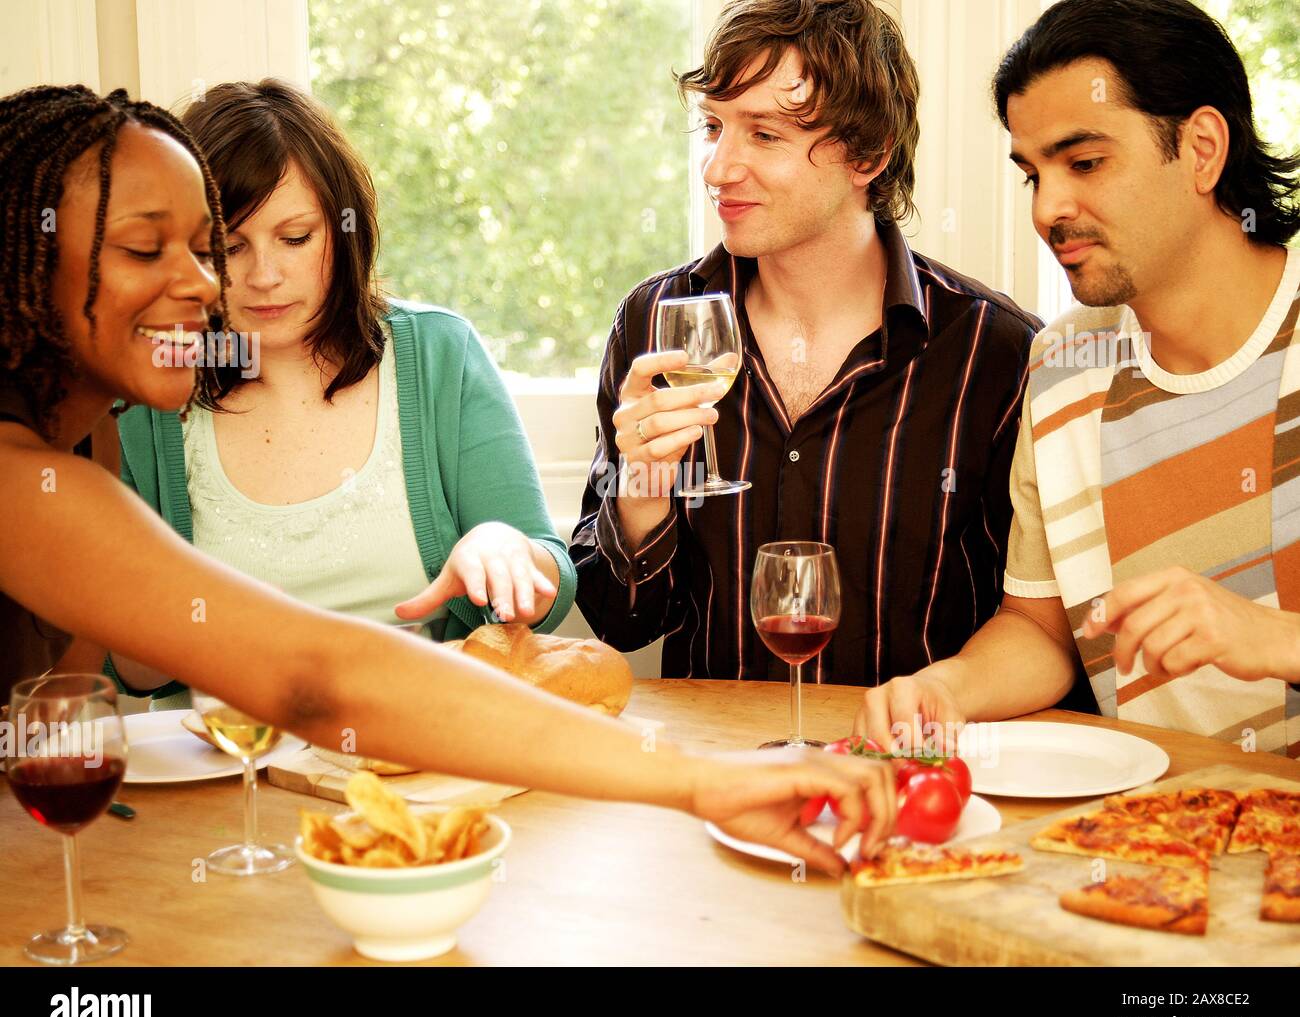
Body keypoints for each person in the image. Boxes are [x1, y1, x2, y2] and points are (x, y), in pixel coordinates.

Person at [0, 84, 896, 874]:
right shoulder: (31, 480)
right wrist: (698, 780)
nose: (208, 283)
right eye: (144, 249)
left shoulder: (75, 450)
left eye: (203, 247)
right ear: (24, 262)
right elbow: (321, 676)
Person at [855, 0, 1300, 759]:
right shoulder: (1065, 365)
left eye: (1085, 162)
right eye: (1033, 174)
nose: (1048, 208)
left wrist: (1274, 638)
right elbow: (1042, 628)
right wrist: (947, 689)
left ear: (1201, 149)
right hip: (1153, 822)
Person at [570, 0, 1045, 693]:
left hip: (904, 754)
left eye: (764, 134)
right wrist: (641, 492)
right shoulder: (654, 324)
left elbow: (1037, 625)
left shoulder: (995, 352)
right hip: (721, 755)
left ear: (868, 154)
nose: (717, 169)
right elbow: (621, 623)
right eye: (713, 127)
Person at [106, 79, 573, 706]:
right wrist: (148, 622)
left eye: (295, 238)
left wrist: (506, 552)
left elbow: (551, 584)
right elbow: (132, 673)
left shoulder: (439, 354)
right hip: (231, 751)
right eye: (229, 247)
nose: (264, 276)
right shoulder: (150, 391)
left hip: (418, 738)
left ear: (344, 230)